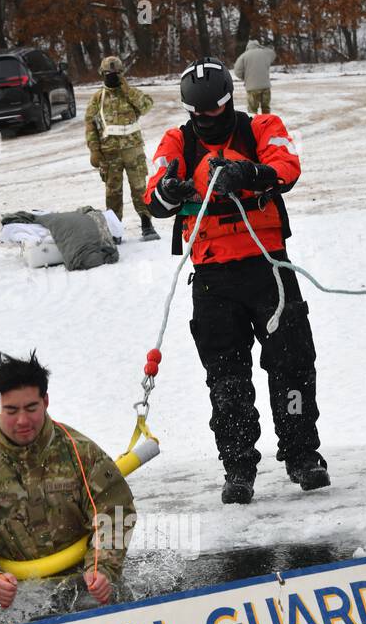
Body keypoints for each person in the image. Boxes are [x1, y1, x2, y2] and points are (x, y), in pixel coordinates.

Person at [145, 57, 329, 503]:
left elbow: (286, 166)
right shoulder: (177, 142)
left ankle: (303, 455)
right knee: (226, 377)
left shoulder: (261, 128)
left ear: (229, 101)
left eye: (213, 110)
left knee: (292, 365)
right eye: (197, 113)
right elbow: (153, 193)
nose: (206, 120)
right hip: (212, 276)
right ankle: (238, 465)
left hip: (270, 270)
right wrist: (168, 192)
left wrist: (252, 173)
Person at [0, 352, 136, 609]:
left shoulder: (81, 452)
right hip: (15, 599)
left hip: (85, 587)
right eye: (11, 410)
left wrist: (103, 568)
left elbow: (115, 511)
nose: (23, 420)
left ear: (45, 401)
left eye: (31, 408)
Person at [84, 56, 159, 242]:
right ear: (102, 74)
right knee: (113, 192)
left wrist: (127, 88)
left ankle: (147, 224)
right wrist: (94, 150)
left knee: (140, 188)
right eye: (108, 74)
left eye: (115, 73)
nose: (112, 77)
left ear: (122, 74)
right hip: (110, 153)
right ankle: (115, 230)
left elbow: (147, 105)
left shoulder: (130, 93)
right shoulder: (98, 98)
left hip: (133, 150)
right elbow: (90, 125)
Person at [233, 37, 277, 114]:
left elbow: (237, 71)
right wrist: (262, 47)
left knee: (252, 110)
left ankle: (254, 125)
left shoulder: (243, 56)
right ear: (258, 45)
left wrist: (245, 77)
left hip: (252, 88)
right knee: (266, 108)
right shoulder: (266, 53)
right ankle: (266, 124)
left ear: (248, 47)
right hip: (265, 87)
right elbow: (273, 54)